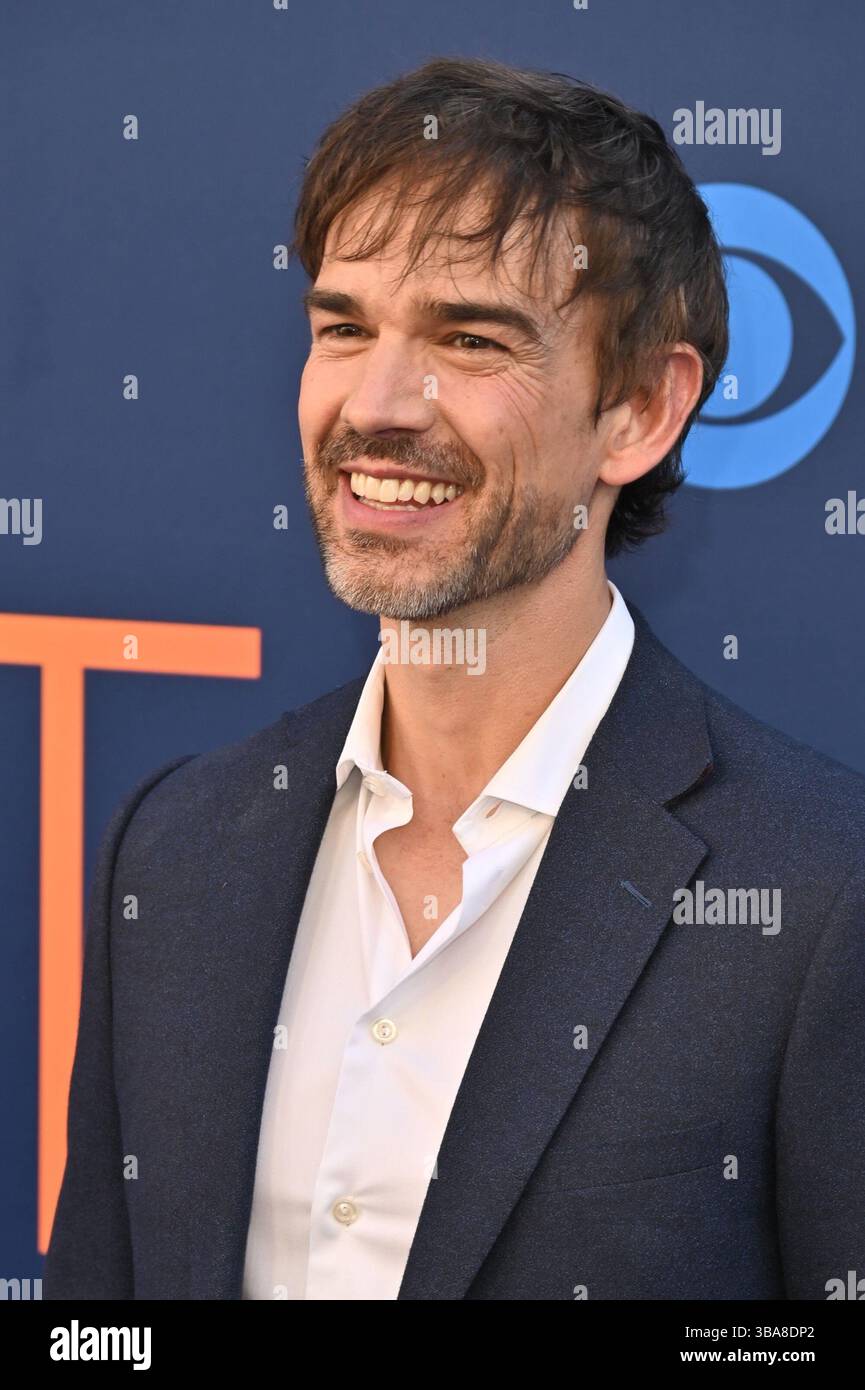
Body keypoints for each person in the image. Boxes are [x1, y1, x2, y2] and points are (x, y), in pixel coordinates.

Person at [45, 57, 865, 1301]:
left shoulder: (819, 896)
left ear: (640, 409)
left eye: (469, 339)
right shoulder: (174, 848)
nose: (376, 404)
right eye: (343, 328)